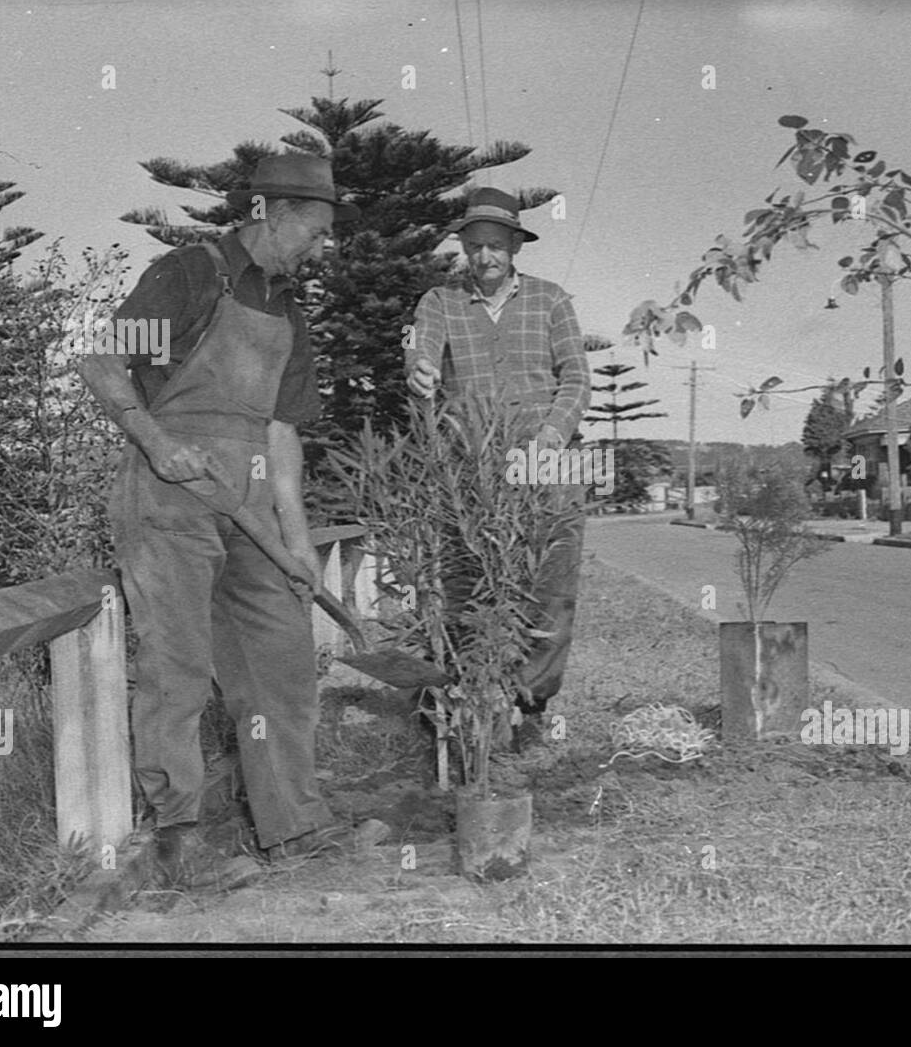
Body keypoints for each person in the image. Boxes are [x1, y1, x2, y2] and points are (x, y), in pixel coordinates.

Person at [78, 153, 361, 891]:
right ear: (267, 209)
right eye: (318, 231)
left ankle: (293, 825)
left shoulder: (288, 309)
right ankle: (179, 842)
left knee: (283, 663)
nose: (324, 247)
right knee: (177, 669)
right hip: (170, 495)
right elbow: (102, 358)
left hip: (252, 503)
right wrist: (157, 441)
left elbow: (282, 435)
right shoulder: (193, 273)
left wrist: (298, 547)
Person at [405, 187, 591, 735]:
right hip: (474, 465)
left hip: (549, 462)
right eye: (474, 246)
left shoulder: (552, 299)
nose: (484, 257)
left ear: (515, 245)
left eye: (495, 246)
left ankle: (532, 704)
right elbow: (419, 348)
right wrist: (419, 368)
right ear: (463, 246)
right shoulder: (438, 302)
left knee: (550, 586)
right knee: (468, 582)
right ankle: (474, 697)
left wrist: (551, 437)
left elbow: (577, 378)